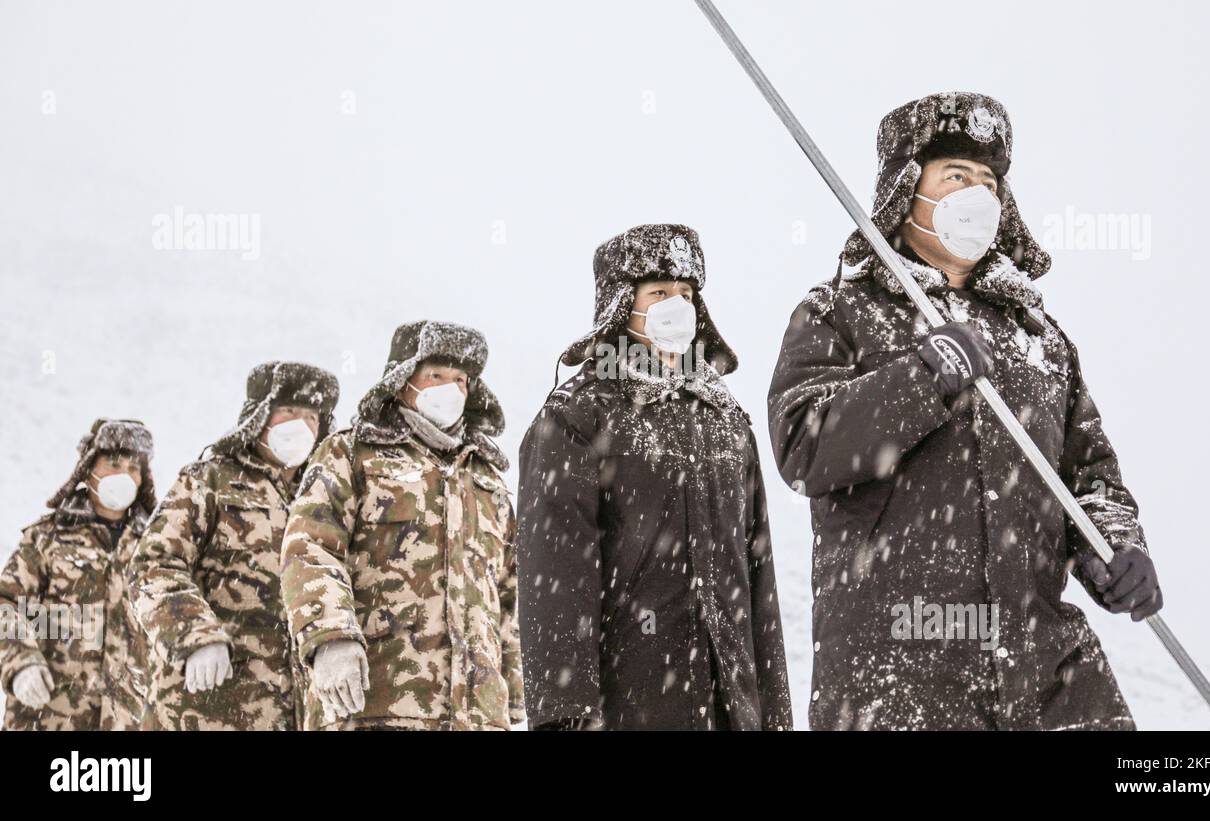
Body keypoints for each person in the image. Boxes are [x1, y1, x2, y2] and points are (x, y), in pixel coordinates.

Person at [768, 92, 1162, 730]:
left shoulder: (1038, 338)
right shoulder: (839, 312)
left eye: (988, 181)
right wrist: (922, 377)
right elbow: (802, 446)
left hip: (1047, 673)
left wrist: (1113, 546)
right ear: (905, 189)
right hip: (900, 682)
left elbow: (1090, 478)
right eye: (955, 175)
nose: (977, 194)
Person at [517, 223, 792, 730]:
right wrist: (565, 718)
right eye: (659, 293)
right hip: (630, 708)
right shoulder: (577, 416)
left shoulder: (726, 420)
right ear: (622, 303)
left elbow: (759, 583)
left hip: (731, 712)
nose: (677, 306)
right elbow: (555, 585)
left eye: (686, 292)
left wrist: (774, 717)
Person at [280, 321, 522, 730]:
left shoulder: (486, 480)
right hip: (373, 706)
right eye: (436, 375)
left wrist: (512, 697)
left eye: (460, 380)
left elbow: (509, 591)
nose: (450, 389)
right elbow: (310, 547)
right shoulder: (352, 454)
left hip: (476, 718)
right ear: (402, 379)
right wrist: (330, 636)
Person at [130, 362, 338, 730]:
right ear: (259, 414)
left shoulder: (327, 496)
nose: (301, 425)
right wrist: (194, 634)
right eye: (289, 410)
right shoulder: (208, 480)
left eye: (311, 416)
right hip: (203, 711)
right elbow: (153, 565)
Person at [0, 418, 156, 730]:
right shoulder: (47, 538)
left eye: (133, 468)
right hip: (48, 718)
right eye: (114, 464)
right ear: (87, 470)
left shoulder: (158, 546)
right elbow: (6, 602)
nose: (124, 476)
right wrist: (20, 663)